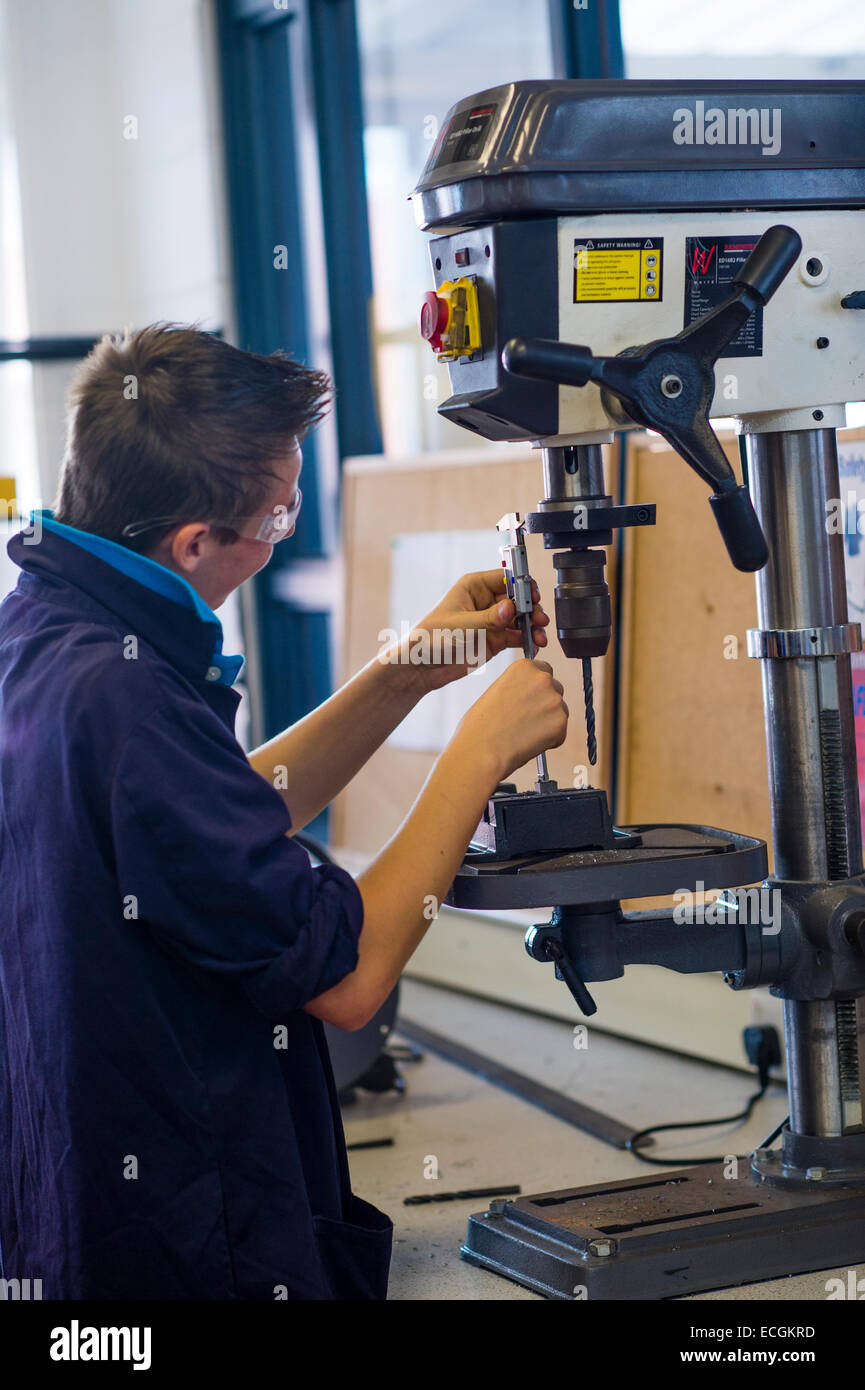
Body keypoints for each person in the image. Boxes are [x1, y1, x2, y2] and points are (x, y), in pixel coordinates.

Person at [0, 324, 568, 1301]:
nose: (280, 532)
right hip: (179, 1225)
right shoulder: (128, 696)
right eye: (277, 515)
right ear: (194, 542)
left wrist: (412, 669)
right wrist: (477, 753)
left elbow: (212, 816)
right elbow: (345, 979)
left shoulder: (50, 629)